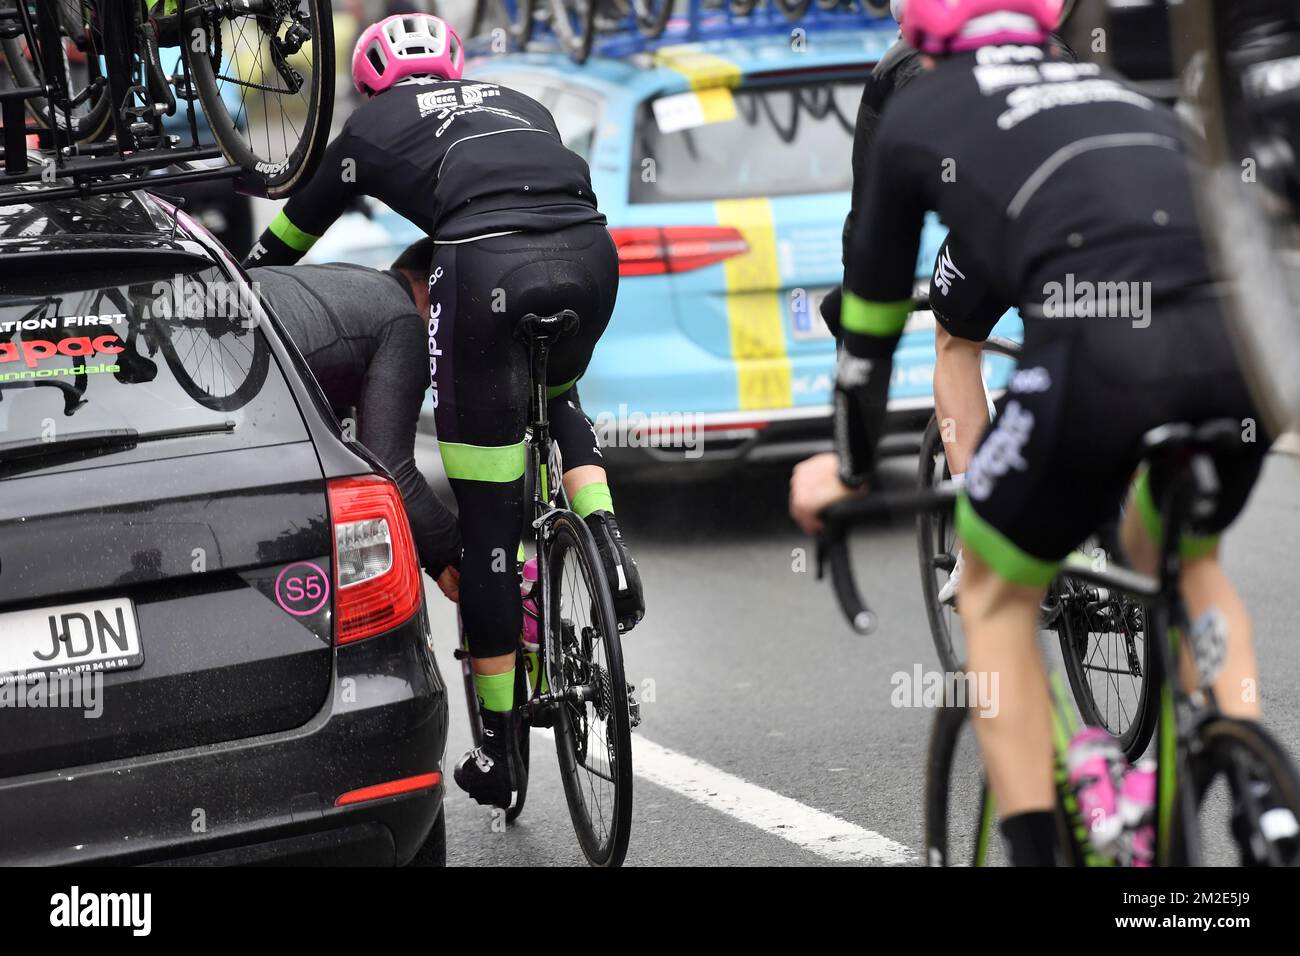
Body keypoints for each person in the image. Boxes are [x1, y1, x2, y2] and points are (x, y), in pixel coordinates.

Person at [790, 0, 1279, 865]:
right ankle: (1252, 782)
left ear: (923, 33)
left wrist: (851, 470)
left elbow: (866, 331)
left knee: (992, 596)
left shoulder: (914, 106)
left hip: (1099, 348)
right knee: (1187, 560)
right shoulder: (1114, 90)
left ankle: (1039, 848)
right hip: (1242, 345)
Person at [242, 13, 644, 813]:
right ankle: (606, 540)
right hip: (591, 254)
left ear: (372, 83)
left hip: (485, 264)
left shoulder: (368, 128)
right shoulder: (521, 101)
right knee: (559, 391)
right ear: (457, 70)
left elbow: (288, 235)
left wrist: (239, 282)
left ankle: (496, 749)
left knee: (492, 528)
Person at [820, 4, 1077, 604]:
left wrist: (856, 296)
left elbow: (870, 228)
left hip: (1006, 221)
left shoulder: (900, 69)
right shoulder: (1053, 48)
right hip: (1125, 229)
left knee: (955, 339)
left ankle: (979, 543)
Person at [247, 246, 463, 598]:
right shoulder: (403, 322)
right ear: (429, 291)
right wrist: (454, 556)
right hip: (243, 374)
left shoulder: (355, 283)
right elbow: (391, 467)